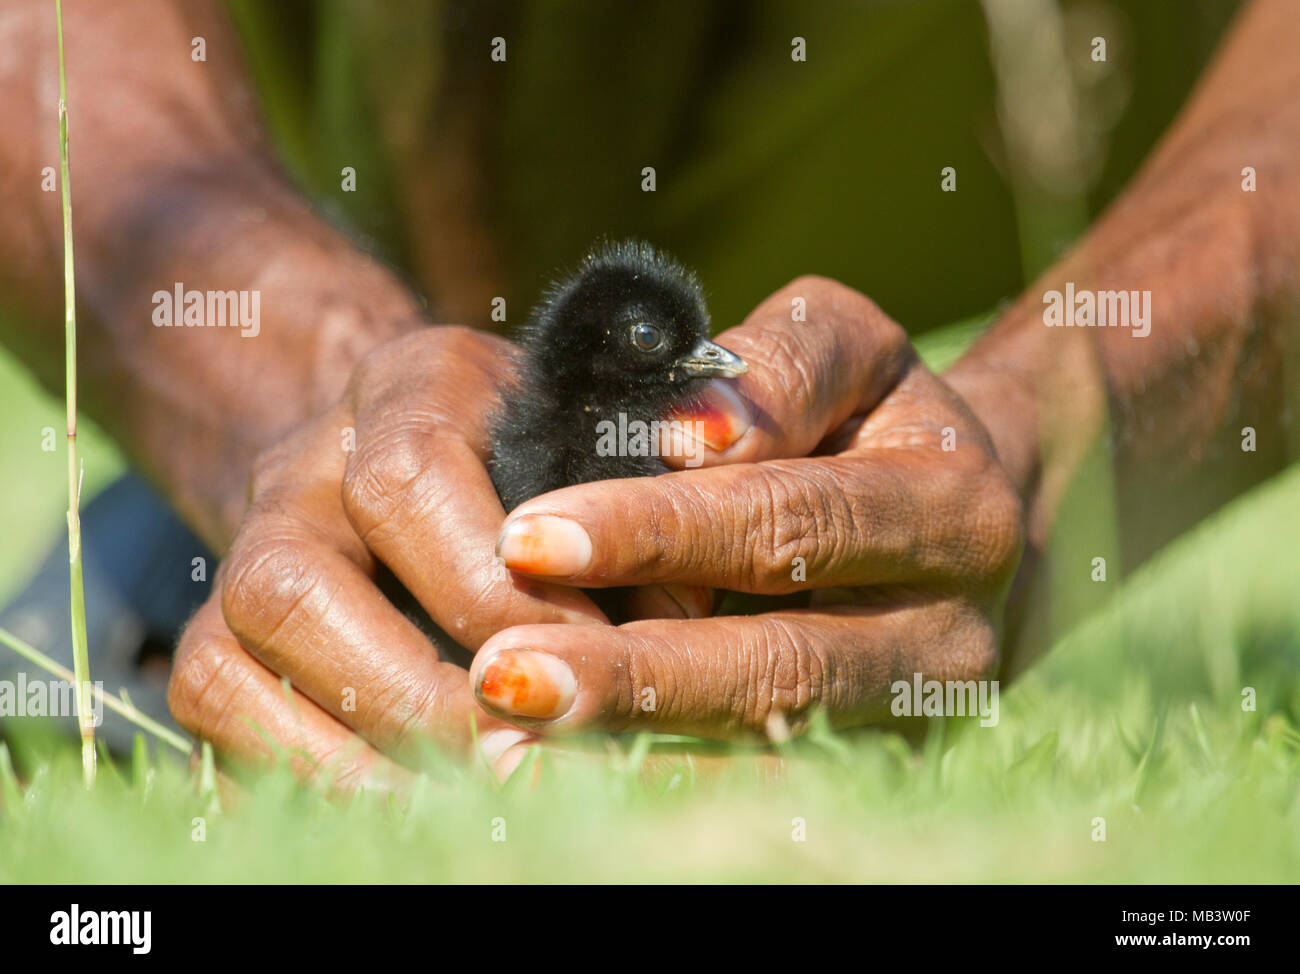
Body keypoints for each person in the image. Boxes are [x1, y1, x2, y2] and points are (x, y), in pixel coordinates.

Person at [0, 0, 1294, 786]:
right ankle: (360, 549)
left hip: (1034, 82)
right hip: (357, 122)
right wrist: (315, 402)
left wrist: (1042, 436)